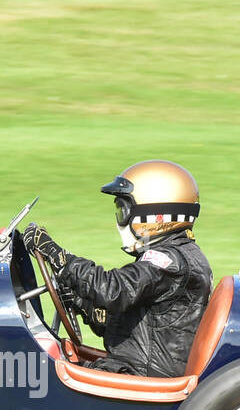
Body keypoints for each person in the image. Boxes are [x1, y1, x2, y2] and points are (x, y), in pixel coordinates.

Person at [21, 159, 213, 377]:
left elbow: (112, 290)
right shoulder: (178, 255)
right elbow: (137, 325)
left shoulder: (169, 261)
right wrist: (81, 303)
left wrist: (56, 255)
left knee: (35, 374)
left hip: (141, 376)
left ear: (155, 214)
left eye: (124, 210)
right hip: (138, 367)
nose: (119, 219)